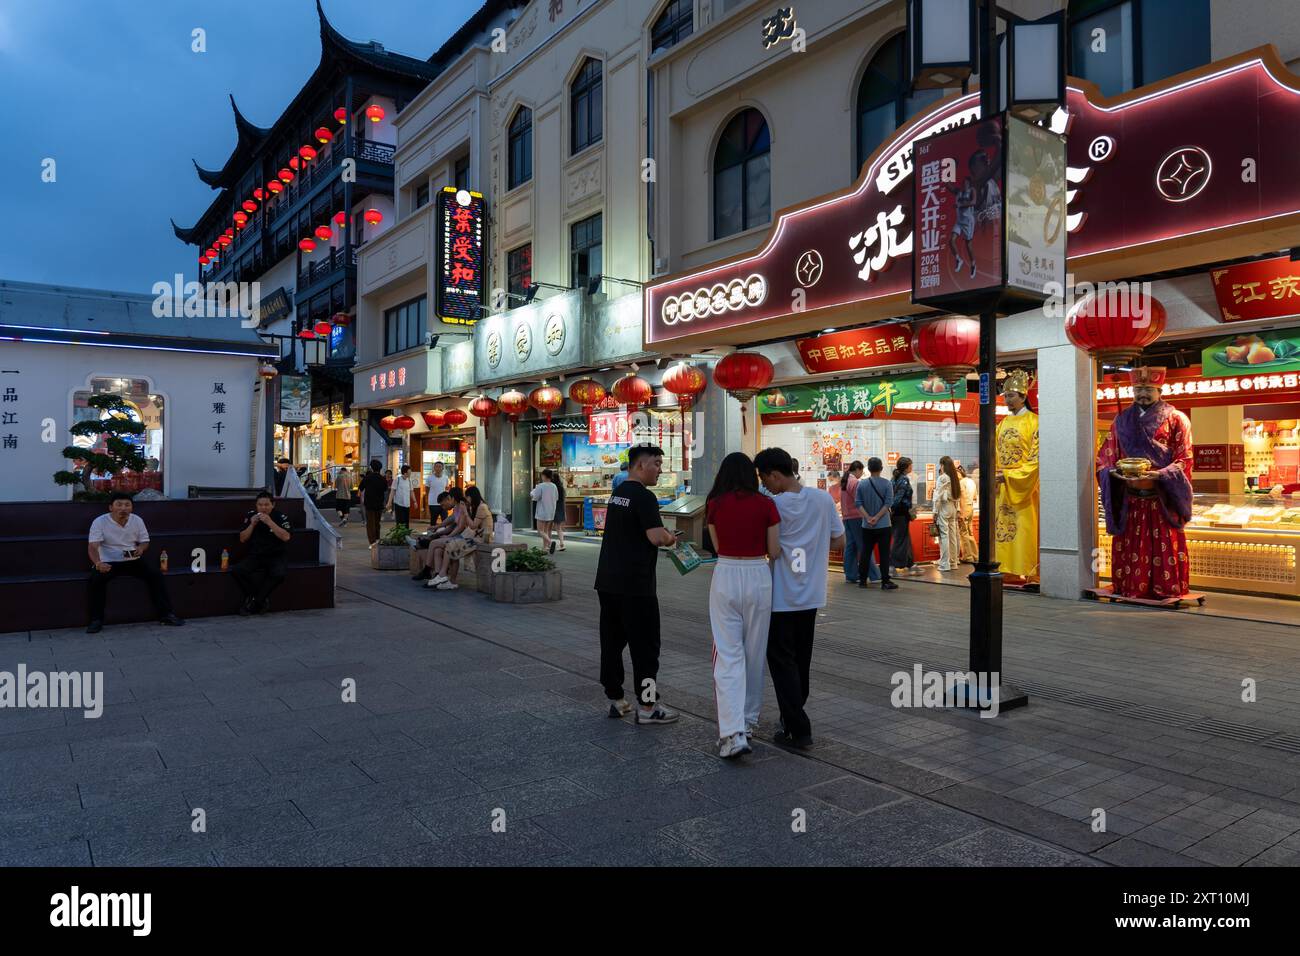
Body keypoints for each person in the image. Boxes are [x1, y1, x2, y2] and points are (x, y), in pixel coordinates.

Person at [755, 447, 843, 751]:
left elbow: (768, 547)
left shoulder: (771, 505)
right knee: (801, 661)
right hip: (812, 595)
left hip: (780, 596)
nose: (764, 485)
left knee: (782, 663)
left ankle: (799, 728)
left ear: (775, 474)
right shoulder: (822, 499)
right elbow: (840, 540)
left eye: (764, 478)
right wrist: (815, 542)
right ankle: (790, 719)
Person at [593, 444, 679, 725]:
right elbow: (656, 537)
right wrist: (670, 537)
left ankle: (616, 699)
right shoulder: (644, 497)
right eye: (656, 463)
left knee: (612, 642)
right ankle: (648, 705)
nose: (660, 469)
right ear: (640, 465)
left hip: (608, 582)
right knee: (646, 648)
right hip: (636, 586)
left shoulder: (618, 493)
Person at [706, 452, 781, 759]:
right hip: (758, 576)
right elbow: (774, 550)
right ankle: (748, 724)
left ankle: (732, 732)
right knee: (754, 652)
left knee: (727, 655)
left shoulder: (715, 505)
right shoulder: (767, 505)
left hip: (725, 574)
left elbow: (719, 546)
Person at [1096, 366, 1193, 600]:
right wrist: (1112, 473)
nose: (1143, 394)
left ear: (1160, 390)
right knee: (1131, 545)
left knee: (1164, 544)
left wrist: (1161, 475)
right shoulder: (1121, 419)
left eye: (1148, 389)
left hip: (1161, 498)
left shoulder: (1176, 418)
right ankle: (1131, 586)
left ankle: (1165, 587)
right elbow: (1106, 457)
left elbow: (1184, 458)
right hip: (1130, 497)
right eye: (1138, 388)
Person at [86, 492, 184, 634]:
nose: (123, 508)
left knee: (155, 575)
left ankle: (166, 615)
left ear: (132, 508)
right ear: (110, 507)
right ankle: (96, 620)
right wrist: (98, 563)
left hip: (132, 559)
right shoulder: (100, 522)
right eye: (119, 505)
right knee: (96, 580)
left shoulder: (137, 520)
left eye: (127, 505)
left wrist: (141, 548)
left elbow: (145, 541)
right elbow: (92, 546)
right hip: (108, 561)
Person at [995, 370, 1040, 584]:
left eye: (1011, 395)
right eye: (1005, 396)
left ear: (1023, 396)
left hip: (1024, 486)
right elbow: (995, 453)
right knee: (1002, 527)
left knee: (1024, 528)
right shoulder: (1002, 423)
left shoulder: (1035, 422)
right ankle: (1005, 568)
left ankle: (1027, 569)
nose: (1007, 400)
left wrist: (1011, 476)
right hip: (1003, 485)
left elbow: (1036, 459)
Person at [231, 491, 293, 615]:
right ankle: (260, 599)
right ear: (256, 505)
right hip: (257, 555)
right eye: (260, 505)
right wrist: (252, 524)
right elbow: (243, 538)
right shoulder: (251, 516)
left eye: (266, 505)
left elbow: (286, 537)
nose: (263, 508)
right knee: (238, 570)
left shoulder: (280, 517)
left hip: (276, 554)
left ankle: (255, 602)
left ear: (273, 505)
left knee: (279, 574)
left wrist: (269, 522)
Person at [429, 486, 493, 590]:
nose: (466, 499)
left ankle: (442, 575)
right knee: (450, 547)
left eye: (467, 496)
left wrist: (465, 512)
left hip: (481, 539)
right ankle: (446, 578)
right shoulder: (478, 506)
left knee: (450, 546)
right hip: (476, 537)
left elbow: (473, 526)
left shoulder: (482, 507)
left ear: (472, 496)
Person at [855, 457, 898, 590]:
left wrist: (868, 517)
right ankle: (885, 581)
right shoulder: (887, 484)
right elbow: (888, 503)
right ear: (881, 468)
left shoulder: (861, 484)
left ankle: (862, 580)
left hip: (867, 525)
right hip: (884, 525)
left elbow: (858, 503)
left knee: (865, 552)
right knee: (884, 553)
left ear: (868, 468)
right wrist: (877, 517)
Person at [839, 461, 878, 585]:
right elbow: (860, 500)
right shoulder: (854, 482)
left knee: (851, 546)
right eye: (861, 471)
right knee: (865, 546)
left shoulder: (845, 481)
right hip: (857, 517)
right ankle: (874, 575)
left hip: (847, 518)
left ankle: (851, 575)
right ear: (858, 469)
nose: (861, 474)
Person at [415, 489, 465, 582]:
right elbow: (450, 523)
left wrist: (449, 536)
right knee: (437, 549)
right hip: (456, 537)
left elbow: (460, 527)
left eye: (443, 504)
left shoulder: (462, 507)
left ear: (450, 498)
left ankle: (428, 570)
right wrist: (437, 529)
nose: (442, 507)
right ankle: (438, 575)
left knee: (433, 543)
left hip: (461, 539)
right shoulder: (456, 508)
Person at [933, 456, 962, 572]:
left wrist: (934, 511)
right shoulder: (955, 478)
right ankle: (953, 562)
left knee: (944, 536)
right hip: (953, 508)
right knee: (953, 536)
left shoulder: (942, 478)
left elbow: (938, 495)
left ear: (943, 465)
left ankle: (945, 563)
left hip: (944, 508)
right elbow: (958, 497)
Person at [890, 457, 918, 575]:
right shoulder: (904, 480)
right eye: (910, 465)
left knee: (905, 538)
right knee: (900, 539)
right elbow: (898, 498)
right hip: (901, 513)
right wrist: (894, 508)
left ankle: (910, 564)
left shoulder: (894, 479)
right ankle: (891, 566)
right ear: (906, 467)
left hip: (896, 514)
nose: (912, 467)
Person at [359, 459, 388, 549]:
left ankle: (372, 542)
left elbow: (361, 488)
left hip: (369, 504)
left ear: (371, 468)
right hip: (379, 504)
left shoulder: (367, 478)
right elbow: (385, 489)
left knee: (370, 523)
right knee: (377, 522)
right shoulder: (383, 478)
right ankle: (377, 539)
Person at [531, 469, 560, 554]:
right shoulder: (554, 486)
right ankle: (545, 547)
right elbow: (556, 498)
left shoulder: (540, 486)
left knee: (540, 531)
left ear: (544, 476)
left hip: (542, 510)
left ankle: (550, 543)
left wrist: (532, 493)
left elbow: (535, 497)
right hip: (551, 511)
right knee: (546, 531)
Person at [957, 463, 978, 564]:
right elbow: (974, 497)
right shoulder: (971, 481)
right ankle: (975, 555)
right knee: (970, 532)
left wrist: (961, 512)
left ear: (959, 473)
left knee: (963, 533)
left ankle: (967, 556)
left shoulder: (961, 483)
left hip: (964, 508)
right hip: (971, 508)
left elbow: (962, 497)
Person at [551, 470, 567, 552]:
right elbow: (563, 499)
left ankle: (551, 544)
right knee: (559, 528)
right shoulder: (561, 487)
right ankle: (561, 543)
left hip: (554, 508)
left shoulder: (553, 487)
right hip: (560, 508)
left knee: (551, 527)